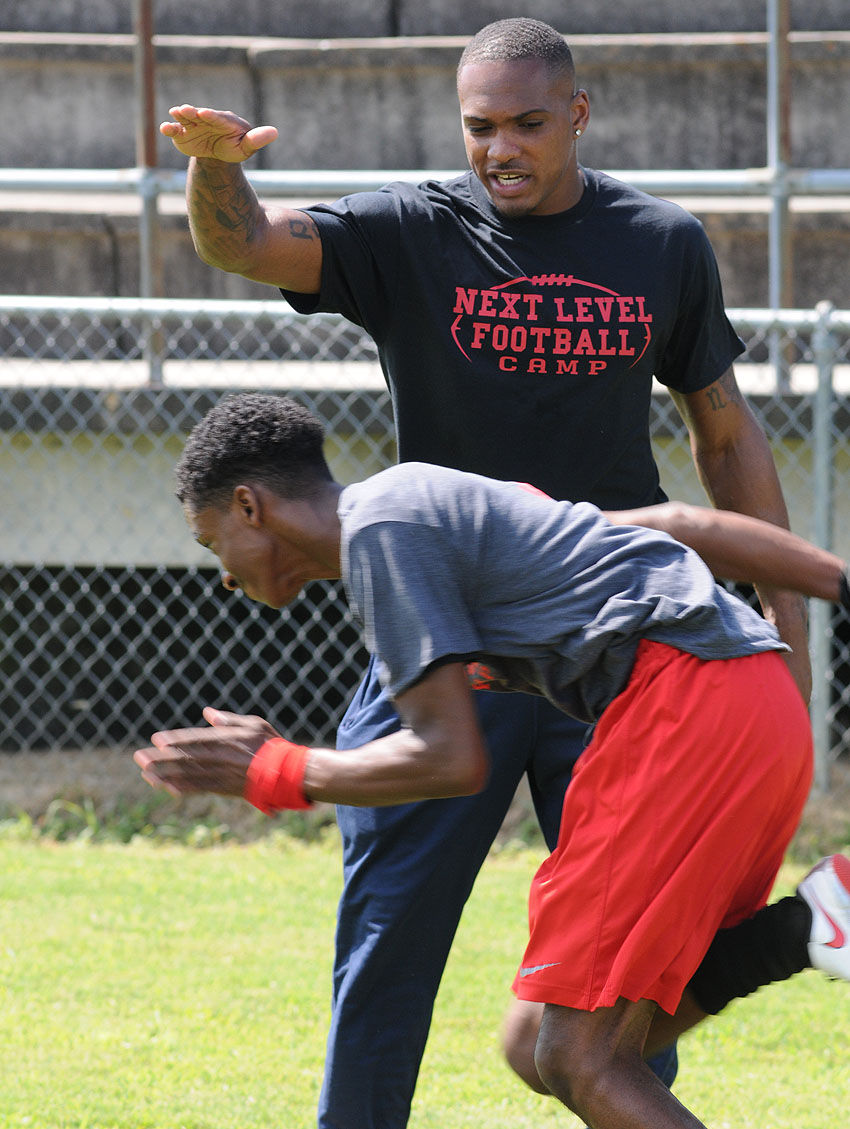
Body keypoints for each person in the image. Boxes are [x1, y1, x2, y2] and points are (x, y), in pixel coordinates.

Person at [159, 18, 812, 1125]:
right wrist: (215, 171)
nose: (499, 148)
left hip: (617, 654)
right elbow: (247, 244)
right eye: (478, 127)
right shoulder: (412, 229)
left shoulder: (659, 242)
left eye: (523, 124)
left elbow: (723, 435)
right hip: (443, 639)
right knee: (388, 944)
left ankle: (739, 995)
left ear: (577, 117)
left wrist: (784, 623)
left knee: (621, 981)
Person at [134, 392, 850, 1129]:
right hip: (756, 708)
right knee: (534, 1043)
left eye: (208, 540)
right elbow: (680, 525)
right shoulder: (437, 502)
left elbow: (449, 757)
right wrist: (842, 583)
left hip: (687, 708)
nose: (221, 573)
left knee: (580, 1059)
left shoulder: (380, 531)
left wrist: (274, 768)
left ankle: (809, 925)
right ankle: (805, 926)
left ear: (249, 507)